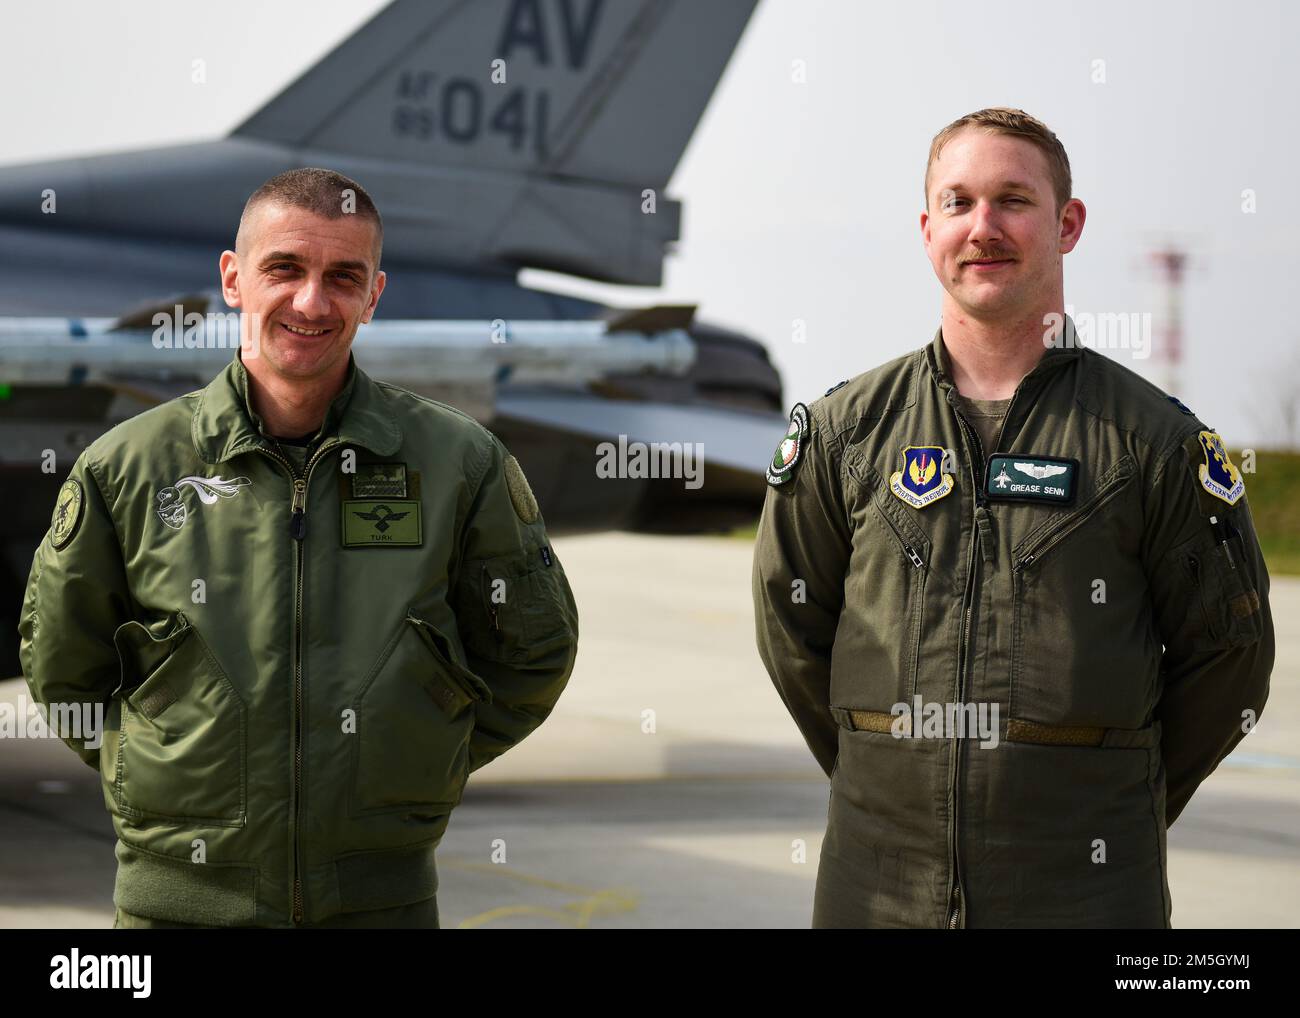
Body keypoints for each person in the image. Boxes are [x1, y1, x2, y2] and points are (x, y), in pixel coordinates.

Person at [752, 108, 1273, 928]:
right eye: (957, 203)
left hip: (1088, 892)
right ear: (928, 229)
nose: (982, 227)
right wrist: (889, 772)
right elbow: (791, 628)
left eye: (1013, 200)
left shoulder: (1157, 446)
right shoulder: (843, 436)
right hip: (874, 888)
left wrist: (1105, 799)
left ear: (1068, 225)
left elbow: (1230, 660)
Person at [19, 167, 579, 928]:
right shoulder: (128, 468)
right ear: (233, 279)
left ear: (374, 296)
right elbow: (63, 666)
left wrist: (419, 750)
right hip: (174, 908)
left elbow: (532, 655)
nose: (312, 302)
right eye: (285, 268)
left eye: (343, 277)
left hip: (382, 904)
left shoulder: (459, 464)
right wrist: (151, 767)